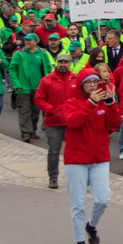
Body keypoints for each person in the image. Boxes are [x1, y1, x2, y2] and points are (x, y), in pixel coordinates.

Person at [62, 71, 122, 244]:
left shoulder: (104, 103)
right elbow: (73, 122)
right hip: (77, 160)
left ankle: (91, 225)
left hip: (99, 158)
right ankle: (80, 242)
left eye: (96, 82)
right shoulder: (72, 103)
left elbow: (115, 123)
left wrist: (111, 103)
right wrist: (91, 103)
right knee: (78, 204)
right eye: (88, 82)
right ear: (81, 85)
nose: (93, 85)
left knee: (102, 199)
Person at [33, 52, 75, 190]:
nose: (63, 65)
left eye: (66, 62)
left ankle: (75, 178)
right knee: (54, 151)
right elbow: (39, 99)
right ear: (56, 63)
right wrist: (52, 110)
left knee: (74, 151)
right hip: (53, 121)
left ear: (70, 64)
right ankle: (53, 178)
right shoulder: (47, 80)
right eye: (60, 62)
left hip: (72, 121)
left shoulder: (76, 79)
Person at [8, 32, 51, 143]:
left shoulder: (42, 53)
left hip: (38, 87)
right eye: (26, 40)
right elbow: (12, 69)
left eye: (29, 40)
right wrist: (17, 85)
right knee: (24, 110)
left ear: (36, 41)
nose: (26, 42)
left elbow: (48, 68)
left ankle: (33, 130)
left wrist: (47, 83)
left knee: (35, 110)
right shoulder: (19, 54)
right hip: (23, 88)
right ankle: (26, 132)